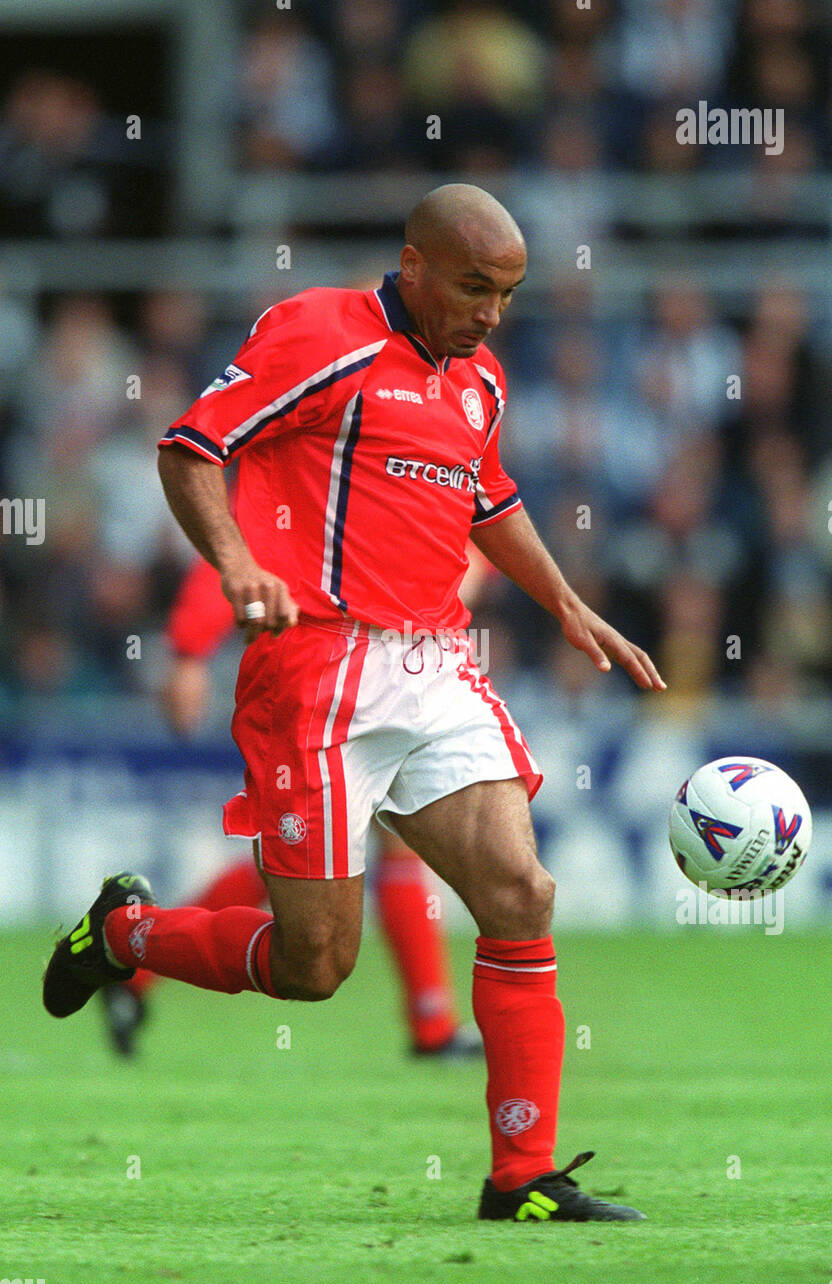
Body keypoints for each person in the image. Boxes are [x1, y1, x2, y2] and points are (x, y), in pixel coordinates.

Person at [44, 184, 665, 1222]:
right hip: (316, 672)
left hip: (433, 666)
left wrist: (564, 604)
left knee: (520, 893)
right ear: (413, 263)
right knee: (313, 965)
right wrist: (238, 566)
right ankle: (127, 935)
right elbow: (190, 448)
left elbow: (489, 497)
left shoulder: (479, 380)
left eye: (507, 294)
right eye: (473, 288)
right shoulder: (319, 333)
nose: (490, 314)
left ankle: (522, 1179)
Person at [101, 545, 487, 1060]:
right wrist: (190, 652)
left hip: (395, 676)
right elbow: (236, 538)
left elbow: (475, 540)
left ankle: (432, 1023)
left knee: (350, 850)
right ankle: (130, 948)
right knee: (313, 858)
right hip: (320, 678)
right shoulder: (318, 475)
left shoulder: (430, 476)